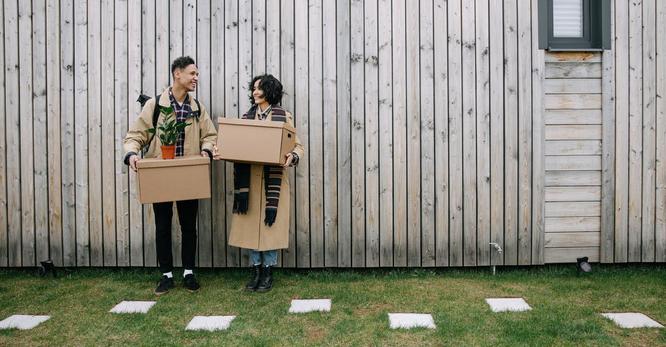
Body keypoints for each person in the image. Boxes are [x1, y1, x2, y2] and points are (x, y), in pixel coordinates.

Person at [123, 56, 217, 295]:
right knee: (163, 226)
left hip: (188, 174)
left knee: (188, 226)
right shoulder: (155, 105)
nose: (196, 78)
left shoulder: (197, 108)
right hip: (161, 175)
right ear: (177, 74)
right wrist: (132, 154)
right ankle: (165, 275)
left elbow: (210, 135)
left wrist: (206, 150)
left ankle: (188, 272)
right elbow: (136, 134)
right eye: (192, 74)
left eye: (197, 74)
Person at [226, 74, 304, 292]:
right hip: (250, 180)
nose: (255, 92)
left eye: (259, 88)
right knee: (252, 227)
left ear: (270, 90)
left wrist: (292, 156)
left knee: (268, 227)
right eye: (253, 88)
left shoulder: (283, 116)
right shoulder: (246, 117)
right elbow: (237, 144)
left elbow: (296, 145)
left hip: (272, 182)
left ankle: (268, 272)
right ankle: (256, 270)